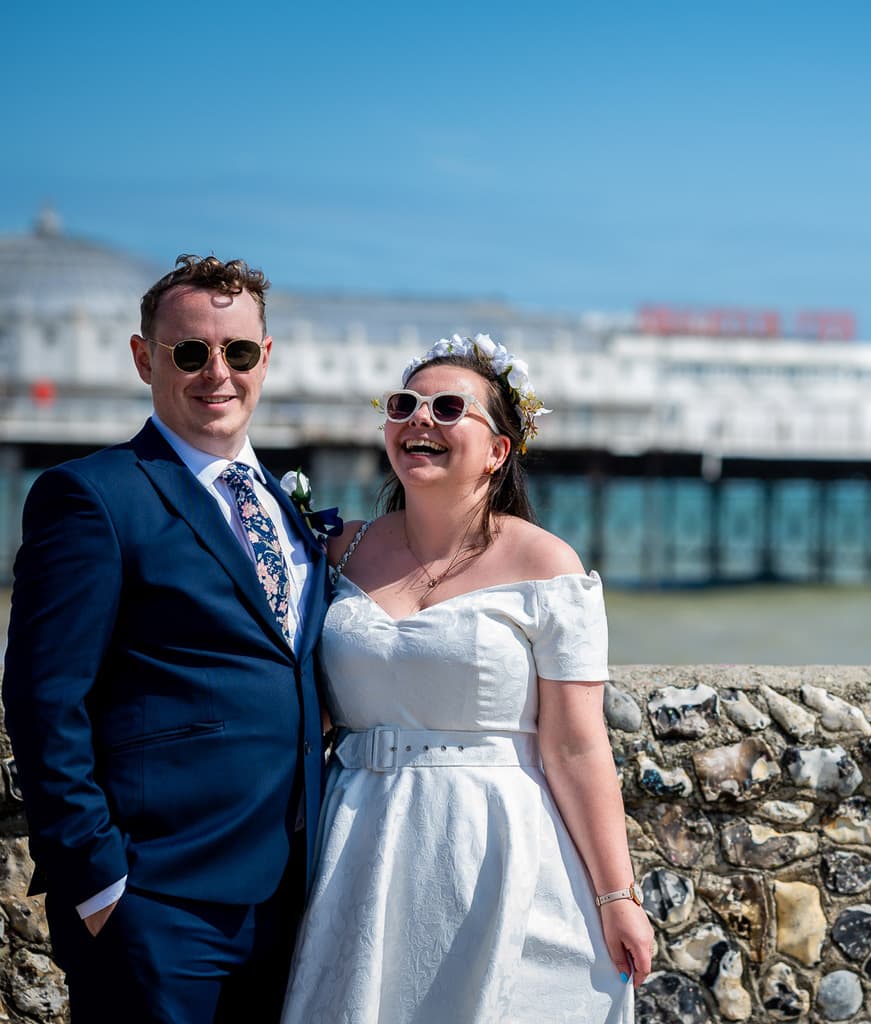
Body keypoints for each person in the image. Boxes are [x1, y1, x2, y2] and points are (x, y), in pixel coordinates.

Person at [280, 333, 652, 1023]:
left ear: (497, 451)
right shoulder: (339, 549)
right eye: (404, 405)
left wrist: (617, 896)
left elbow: (576, 745)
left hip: (494, 843)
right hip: (359, 838)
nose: (420, 419)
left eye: (448, 408)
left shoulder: (548, 565)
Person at [2, 255, 327, 1022]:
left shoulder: (287, 510)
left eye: (237, 351)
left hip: (294, 899)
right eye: (190, 352)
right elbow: (45, 699)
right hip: (158, 902)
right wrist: (100, 882)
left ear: (265, 359)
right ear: (144, 358)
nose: (217, 372)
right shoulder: (91, 497)